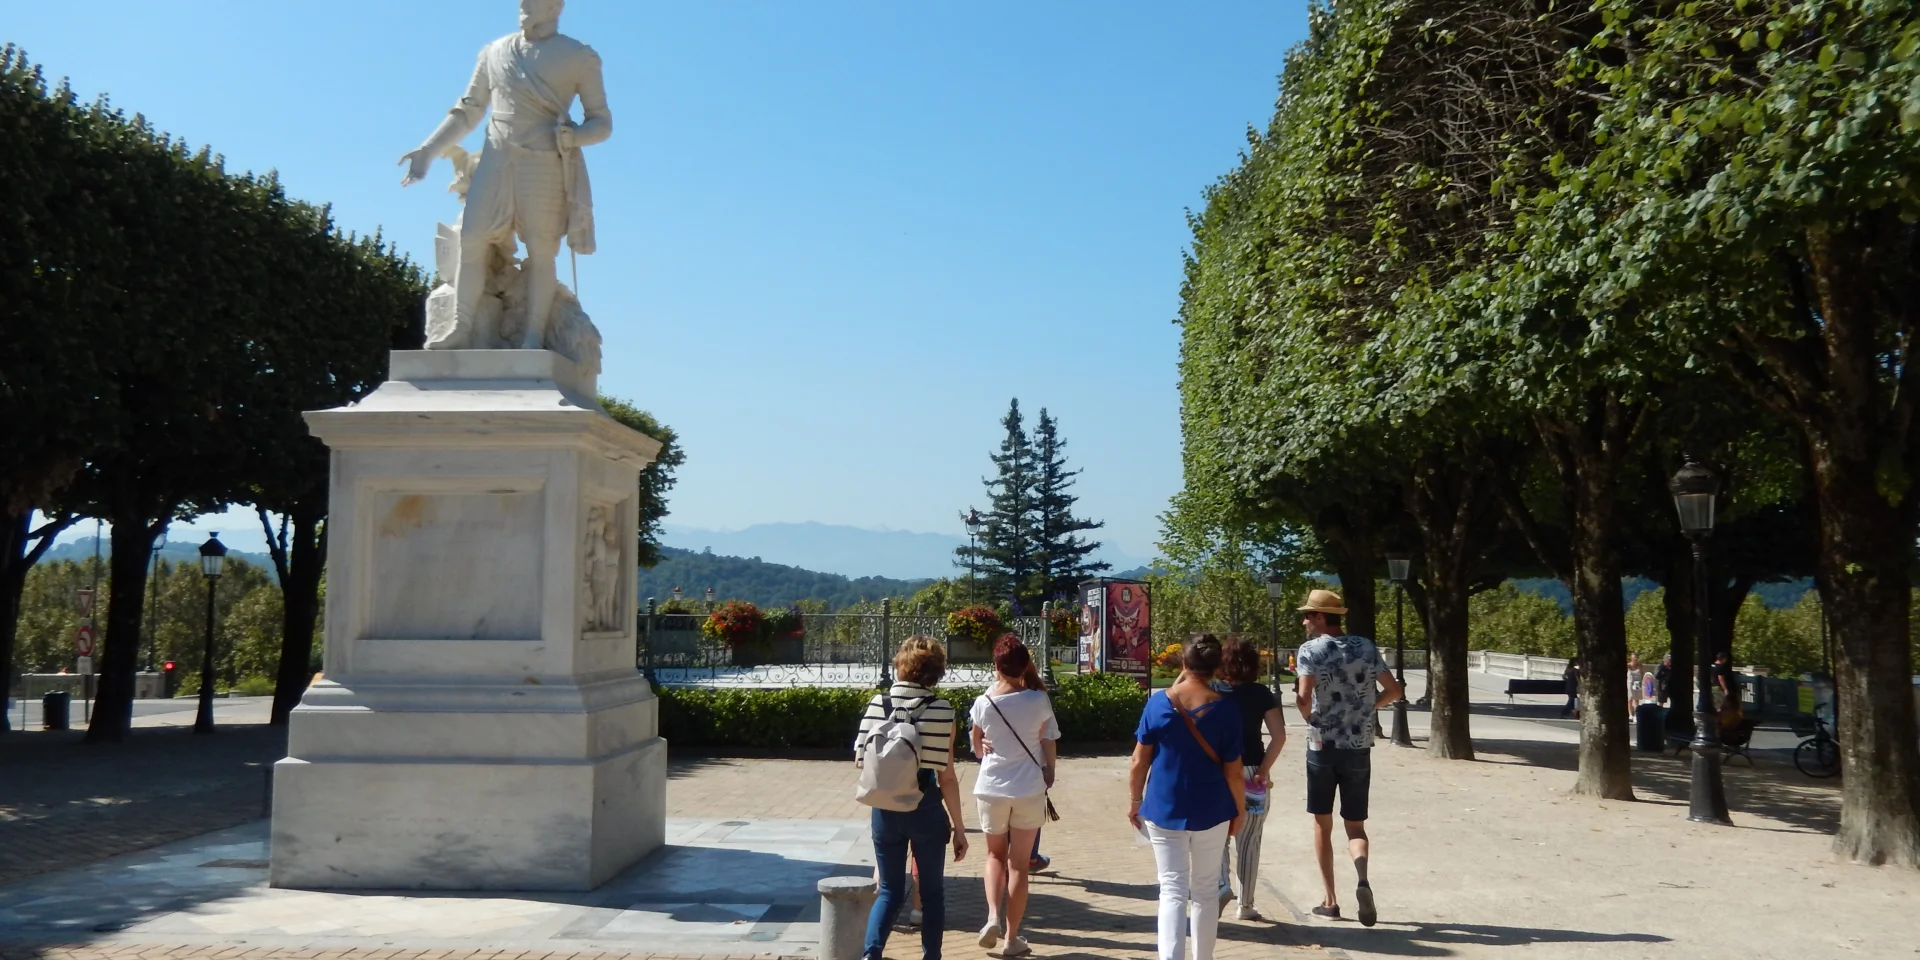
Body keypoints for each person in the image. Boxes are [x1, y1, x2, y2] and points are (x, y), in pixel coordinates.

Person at [1128, 635, 1245, 960]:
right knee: (1206, 891)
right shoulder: (1226, 710)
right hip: (1212, 809)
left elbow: (1139, 761)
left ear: (1183, 663)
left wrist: (1135, 801)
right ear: (1217, 666)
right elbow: (1234, 772)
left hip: (1164, 807)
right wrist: (1239, 810)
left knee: (1172, 889)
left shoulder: (1158, 703)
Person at [857, 636, 969, 960]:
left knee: (889, 891)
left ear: (901, 665)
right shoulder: (942, 710)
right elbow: (946, 776)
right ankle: (931, 957)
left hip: (884, 809)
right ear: (937, 671)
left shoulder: (878, 704)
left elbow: (860, 760)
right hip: (925, 807)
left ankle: (871, 954)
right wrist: (960, 829)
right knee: (932, 893)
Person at [1295, 589, 1400, 928]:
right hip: (1358, 745)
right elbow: (1394, 690)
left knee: (1322, 825)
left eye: (1310, 615)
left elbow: (1303, 695)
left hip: (1322, 746)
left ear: (1324, 617)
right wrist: (1368, 708)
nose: (1305, 620)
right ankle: (1363, 880)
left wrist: (1309, 717)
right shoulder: (1366, 647)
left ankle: (1330, 900)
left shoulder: (1311, 650)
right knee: (1355, 825)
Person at [969, 636, 1059, 957]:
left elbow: (978, 749)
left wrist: (986, 748)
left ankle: (992, 916)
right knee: (1019, 865)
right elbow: (1049, 739)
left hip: (991, 787)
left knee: (994, 856)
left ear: (996, 666)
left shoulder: (983, 702)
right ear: (1026, 666)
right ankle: (1011, 938)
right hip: (1028, 788)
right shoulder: (1038, 700)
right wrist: (1050, 771)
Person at [1215, 636, 1285, 921]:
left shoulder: (1213, 691)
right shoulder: (1261, 694)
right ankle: (1245, 905)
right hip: (1252, 772)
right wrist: (1263, 771)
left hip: (1218, 772)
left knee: (1216, 836)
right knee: (1250, 841)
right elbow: (1279, 736)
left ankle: (1221, 885)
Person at [1626, 653, 1645, 721]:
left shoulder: (1640, 665)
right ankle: (1630, 714)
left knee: (1636, 699)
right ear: (1631, 658)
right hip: (1630, 682)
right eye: (1634, 657)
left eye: (1636, 657)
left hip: (1637, 682)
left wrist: (1643, 682)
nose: (1635, 659)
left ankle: (1636, 714)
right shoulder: (1628, 665)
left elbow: (1643, 673)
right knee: (1630, 698)